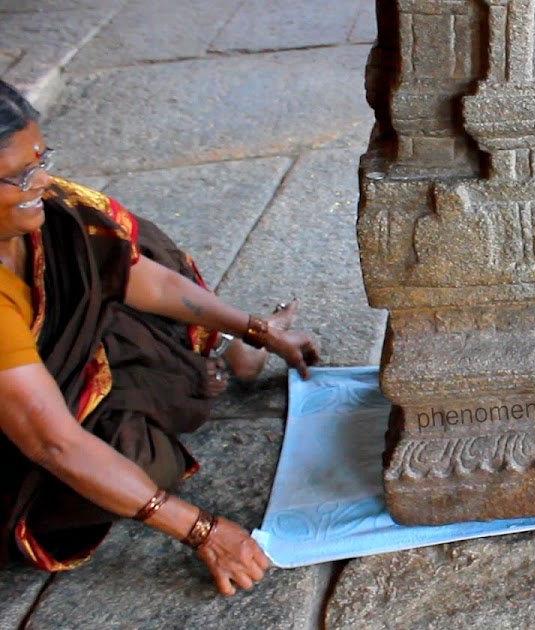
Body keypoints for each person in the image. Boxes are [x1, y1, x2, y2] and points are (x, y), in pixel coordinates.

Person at [0, 79, 320, 596]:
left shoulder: (46, 208)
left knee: (117, 242)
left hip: (49, 370)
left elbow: (142, 278)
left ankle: (221, 359)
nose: (42, 181)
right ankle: (198, 372)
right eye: (18, 176)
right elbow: (51, 442)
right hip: (22, 436)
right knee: (138, 465)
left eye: (42, 159)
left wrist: (256, 330)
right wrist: (202, 531)